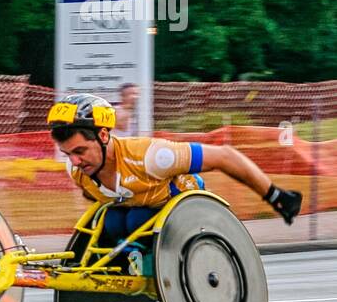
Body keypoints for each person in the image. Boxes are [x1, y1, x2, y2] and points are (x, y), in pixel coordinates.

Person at [48, 92, 303, 241]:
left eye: (80, 151)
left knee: (135, 220)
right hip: (138, 209)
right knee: (112, 223)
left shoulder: (153, 156)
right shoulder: (77, 172)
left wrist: (273, 194)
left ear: (103, 136)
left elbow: (224, 156)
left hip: (182, 203)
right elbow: (95, 195)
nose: (75, 162)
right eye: (67, 154)